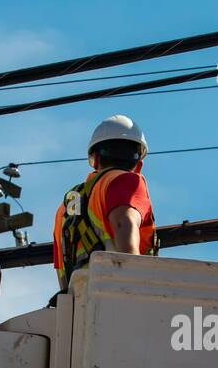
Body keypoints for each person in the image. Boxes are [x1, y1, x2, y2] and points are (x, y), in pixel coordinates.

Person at [52, 115, 156, 290]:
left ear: (95, 160)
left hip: (76, 305)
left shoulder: (66, 207)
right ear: (139, 164)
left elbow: (62, 268)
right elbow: (124, 223)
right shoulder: (128, 182)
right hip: (116, 294)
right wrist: (136, 289)